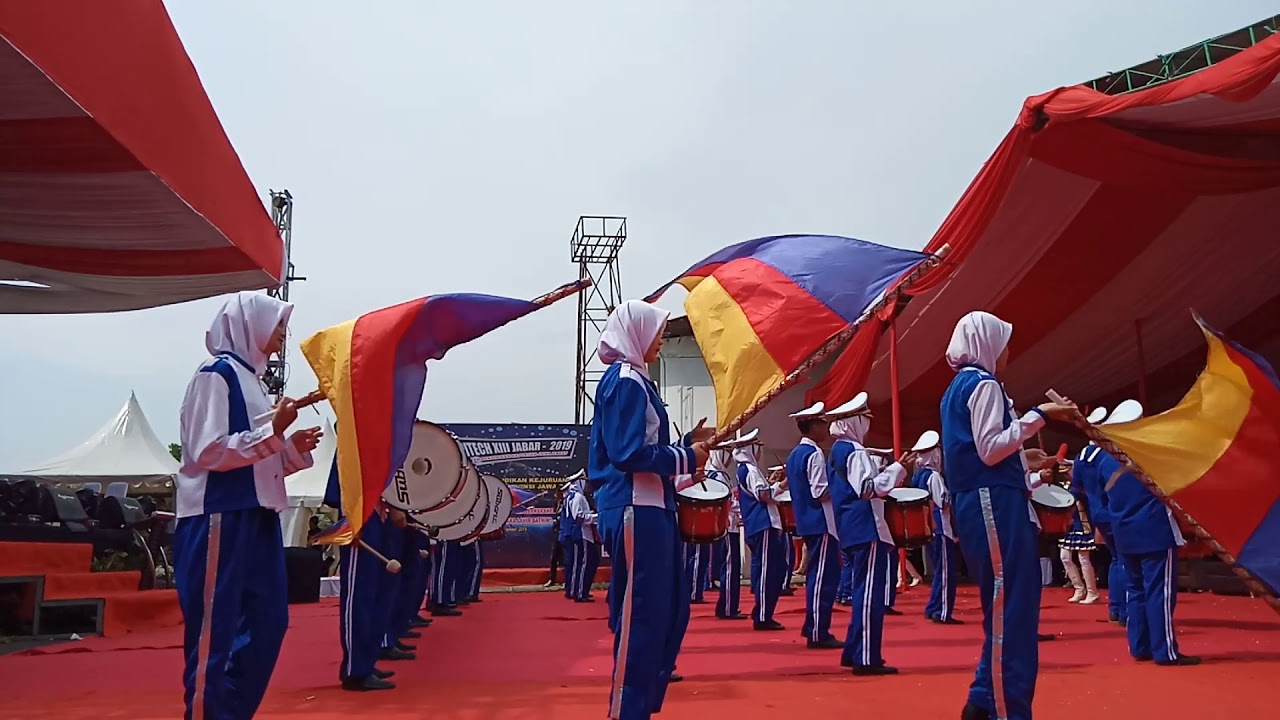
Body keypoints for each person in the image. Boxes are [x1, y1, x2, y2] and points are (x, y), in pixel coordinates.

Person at [173, 291, 322, 718]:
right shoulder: (214, 375)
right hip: (219, 515)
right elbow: (207, 452)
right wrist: (273, 432)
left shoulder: (252, 382)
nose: (281, 337)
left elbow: (254, 460)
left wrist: (288, 447)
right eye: (277, 327)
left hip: (255, 515)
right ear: (248, 325)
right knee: (213, 636)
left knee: (268, 624)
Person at [941, 311, 1077, 720]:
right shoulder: (983, 385)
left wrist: (1023, 460)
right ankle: (1006, 708)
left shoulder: (958, 388)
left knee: (1010, 607)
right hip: (990, 504)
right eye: (1003, 344)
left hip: (989, 499)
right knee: (1011, 608)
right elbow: (988, 449)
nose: (1007, 353)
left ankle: (985, 698)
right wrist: (1042, 416)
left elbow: (986, 451)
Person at [589, 299, 711, 720]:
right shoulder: (626, 381)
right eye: (656, 332)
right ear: (636, 333)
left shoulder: (637, 381)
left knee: (666, 611)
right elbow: (627, 453)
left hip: (650, 508)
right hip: (633, 510)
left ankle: (638, 705)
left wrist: (688, 458)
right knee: (641, 615)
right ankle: (627, 710)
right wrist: (685, 457)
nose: (659, 339)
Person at [1098, 400, 1200, 667]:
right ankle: (1165, 651)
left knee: (1136, 592)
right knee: (1160, 592)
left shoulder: (1103, 461)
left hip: (1123, 531)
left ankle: (1140, 646)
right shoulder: (1147, 454)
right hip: (1154, 529)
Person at [826, 393, 911, 675]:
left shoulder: (837, 450)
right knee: (869, 595)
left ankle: (854, 649)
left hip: (850, 527)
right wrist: (898, 469)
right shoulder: (855, 451)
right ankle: (865, 657)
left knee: (863, 590)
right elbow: (867, 489)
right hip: (867, 526)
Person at [325, 456, 397, 692]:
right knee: (360, 596)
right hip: (359, 517)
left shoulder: (380, 441)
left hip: (379, 515)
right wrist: (351, 521)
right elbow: (341, 488)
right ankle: (355, 669)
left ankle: (367, 661)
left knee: (378, 595)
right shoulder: (351, 440)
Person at [786, 402, 843, 650]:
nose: (826, 427)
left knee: (817, 576)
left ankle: (814, 626)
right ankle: (818, 630)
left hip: (808, 521)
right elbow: (821, 491)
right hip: (821, 522)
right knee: (823, 578)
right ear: (813, 426)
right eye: (822, 423)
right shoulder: (814, 455)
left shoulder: (795, 454)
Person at [1073, 406, 1129, 624]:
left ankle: (1115, 608)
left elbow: (1077, 490)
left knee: (1116, 560)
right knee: (1124, 561)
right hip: (1115, 511)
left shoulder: (1081, 456)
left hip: (1097, 513)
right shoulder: (1107, 455)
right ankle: (1125, 610)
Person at [735, 432, 788, 631]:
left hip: (757, 524)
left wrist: (772, 483)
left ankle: (763, 612)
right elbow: (763, 495)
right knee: (769, 571)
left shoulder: (745, 470)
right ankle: (763, 615)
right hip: (763, 523)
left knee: (767, 568)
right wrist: (782, 485)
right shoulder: (750, 469)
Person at [910, 431, 962, 625]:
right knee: (946, 572)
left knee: (939, 571)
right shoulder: (933, 476)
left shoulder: (918, 477)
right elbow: (944, 502)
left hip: (928, 528)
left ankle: (933, 607)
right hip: (941, 527)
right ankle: (942, 611)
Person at [707, 444, 745, 620]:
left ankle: (726, 606)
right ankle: (728, 607)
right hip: (728, 525)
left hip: (724, 524)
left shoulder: (713, 474)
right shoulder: (719, 476)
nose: (729, 458)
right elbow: (726, 502)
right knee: (730, 567)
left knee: (728, 566)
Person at [564, 470, 601, 602]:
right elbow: (579, 517)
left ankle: (576, 591)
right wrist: (597, 517)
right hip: (582, 533)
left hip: (580, 533)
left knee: (579, 563)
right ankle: (580, 593)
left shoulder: (571, 496)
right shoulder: (578, 497)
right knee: (584, 564)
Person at [546, 485, 567, 587]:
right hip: (556, 533)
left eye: (559, 493)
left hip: (564, 533)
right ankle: (551, 579)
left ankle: (567, 580)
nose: (556, 495)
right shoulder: (556, 503)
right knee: (554, 557)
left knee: (564, 558)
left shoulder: (567, 502)